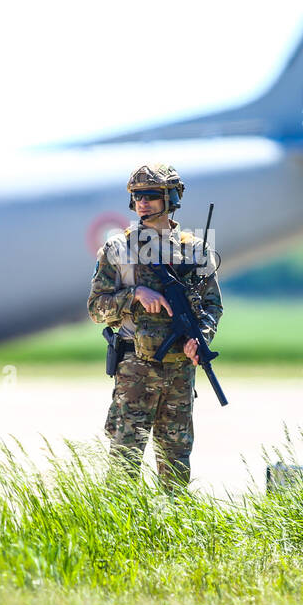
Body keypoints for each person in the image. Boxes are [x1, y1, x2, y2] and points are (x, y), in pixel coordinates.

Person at [87, 163, 222, 494]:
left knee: (176, 465)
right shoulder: (118, 248)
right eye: (136, 197)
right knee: (124, 463)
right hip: (135, 370)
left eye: (150, 195)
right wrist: (135, 295)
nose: (142, 203)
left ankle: (172, 536)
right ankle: (118, 534)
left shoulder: (194, 248)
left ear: (171, 197)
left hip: (179, 371)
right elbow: (95, 308)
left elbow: (212, 305)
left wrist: (200, 338)